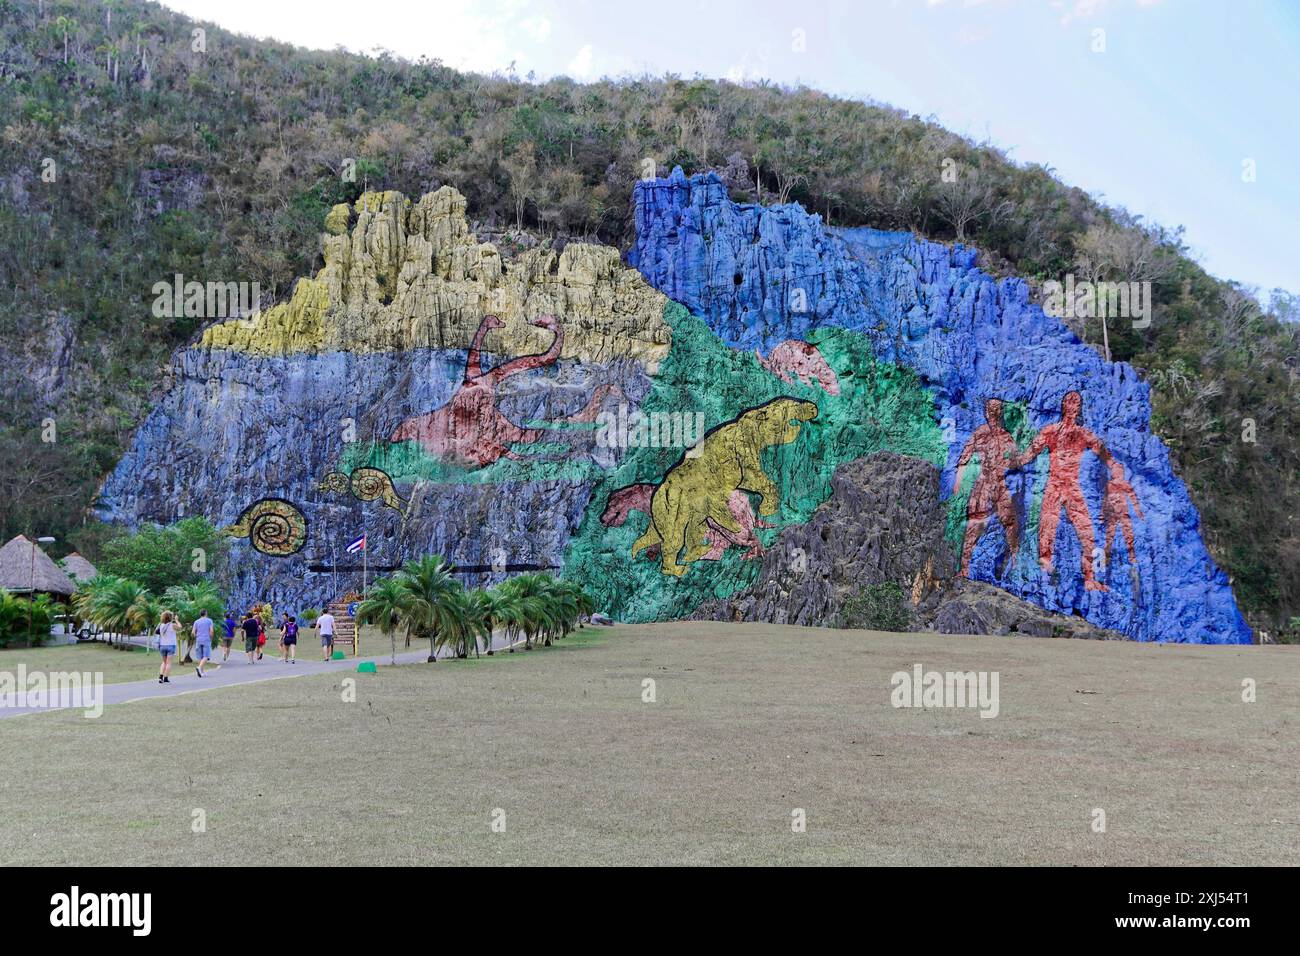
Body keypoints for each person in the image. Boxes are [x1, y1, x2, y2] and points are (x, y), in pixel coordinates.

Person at [1013, 390, 1131, 592]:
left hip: (1072, 486)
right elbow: (1030, 453)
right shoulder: (1050, 431)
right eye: (1069, 401)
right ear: (1063, 405)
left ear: (1079, 408)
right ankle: (1044, 565)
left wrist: (1114, 466)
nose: (1072, 405)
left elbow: (1103, 452)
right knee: (1047, 525)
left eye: (1076, 402)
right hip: (1054, 484)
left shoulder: (1083, 434)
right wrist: (1013, 462)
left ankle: (1090, 577)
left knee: (1086, 530)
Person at [953, 398, 1022, 578]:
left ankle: (1015, 561)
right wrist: (958, 482)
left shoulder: (1004, 436)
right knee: (976, 522)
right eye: (992, 409)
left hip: (997, 484)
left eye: (996, 409)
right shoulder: (983, 433)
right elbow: (965, 456)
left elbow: (1015, 462)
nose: (993, 413)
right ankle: (965, 568)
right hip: (986, 483)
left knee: (1009, 522)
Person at [156, 611, 179, 684]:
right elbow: (180, 627)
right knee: (168, 663)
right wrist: (177, 620)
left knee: (164, 662)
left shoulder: (161, 625)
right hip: (170, 645)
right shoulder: (172, 625)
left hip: (162, 646)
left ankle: (160, 677)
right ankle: (165, 678)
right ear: (170, 617)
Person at [191, 609, 215, 677]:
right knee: (206, 656)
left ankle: (202, 672)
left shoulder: (196, 621)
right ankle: (199, 668)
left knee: (200, 657)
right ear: (206, 613)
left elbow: (193, 632)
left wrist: (197, 637)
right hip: (206, 639)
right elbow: (211, 631)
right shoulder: (209, 620)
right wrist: (211, 638)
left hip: (198, 640)